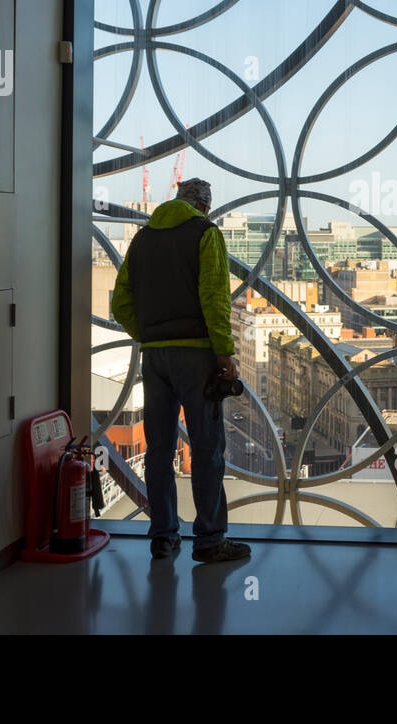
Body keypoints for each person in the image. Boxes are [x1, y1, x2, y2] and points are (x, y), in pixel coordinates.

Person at [110, 177, 251, 563]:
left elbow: (120, 303)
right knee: (206, 449)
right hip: (197, 357)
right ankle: (209, 540)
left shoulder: (141, 240)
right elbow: (214, 298)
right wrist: (224, 353)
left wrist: (150, 336)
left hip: (155, 359)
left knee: (158, 449)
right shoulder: (205, 234)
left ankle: (163, 538)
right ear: (204, 206)